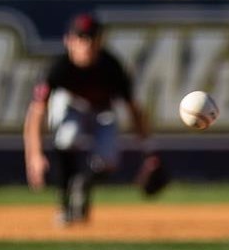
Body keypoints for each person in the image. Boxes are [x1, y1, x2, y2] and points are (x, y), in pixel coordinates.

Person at [23, 12, 152, 226]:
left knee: (109, 161)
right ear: (69, 40)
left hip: (103, 111)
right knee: (67, 137)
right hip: (71, 106)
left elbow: (134, 109)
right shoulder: (59, 68)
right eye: (81, 37)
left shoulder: (112, 66)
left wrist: (149, 150)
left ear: (100, 40)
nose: (87, 44)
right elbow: (36, 112)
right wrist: (34, 155)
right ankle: (65, 206)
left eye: (92, 37)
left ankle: (82, 184)